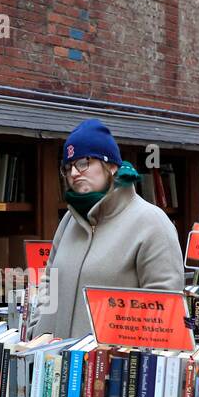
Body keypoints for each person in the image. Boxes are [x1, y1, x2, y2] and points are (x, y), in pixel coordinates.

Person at [32, 120, 185, 339]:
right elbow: (49, 281)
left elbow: (164, 309)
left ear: (111, 166)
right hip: (53, 365)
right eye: (68, 166)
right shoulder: (68, 221)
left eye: (84, 162)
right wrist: (37, 329)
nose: (74, 172)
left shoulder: (151, 222)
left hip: (112, 368)